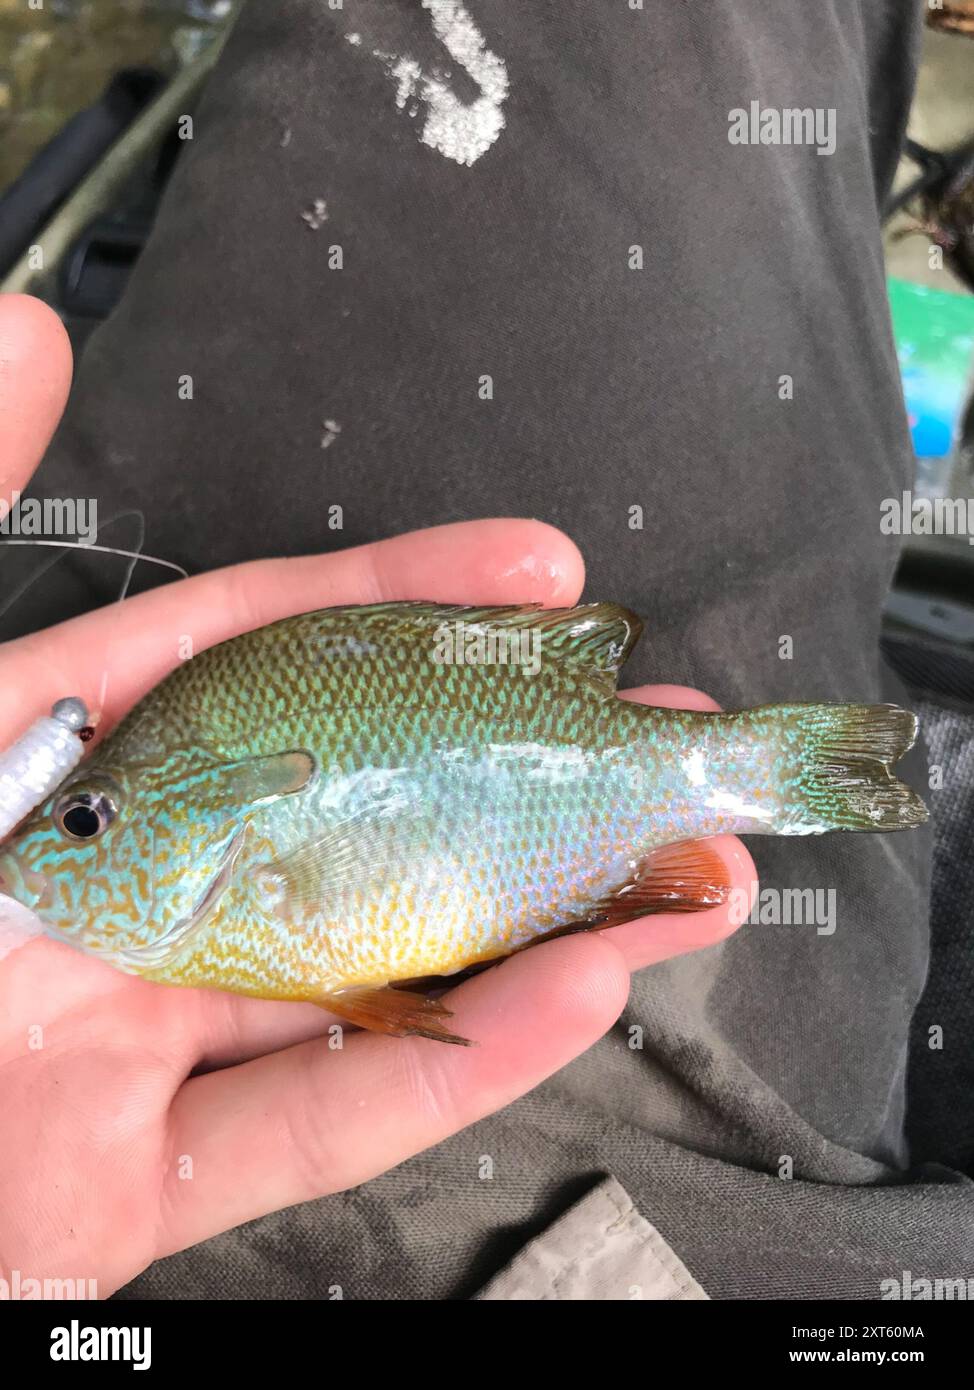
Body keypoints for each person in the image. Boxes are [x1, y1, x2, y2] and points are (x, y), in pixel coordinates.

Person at [1, 1, 971, 1299]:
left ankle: (774, 768)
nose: (43, 853)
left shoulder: (206, 916)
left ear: (202, 806)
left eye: (83, 821)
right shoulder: (197, 907)